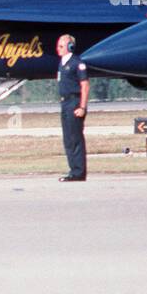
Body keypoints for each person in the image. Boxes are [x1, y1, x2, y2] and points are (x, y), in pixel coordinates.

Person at [56, 33, 90, 182]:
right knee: (68, 139)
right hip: (64, 103)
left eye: (62, 46)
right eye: (58, 45)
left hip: (74, 103)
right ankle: (73, 170)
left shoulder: (77, 63)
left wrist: (82, 107)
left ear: (70, 47)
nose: (58, 48)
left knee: (76, 139)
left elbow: (85, 85)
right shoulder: (62, 63)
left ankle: (78, 172)